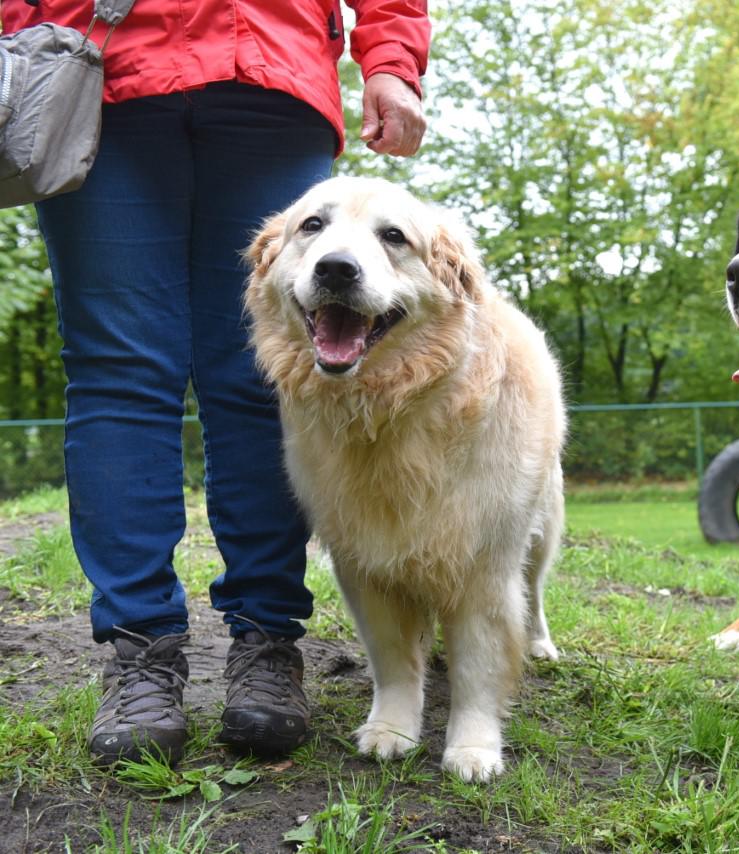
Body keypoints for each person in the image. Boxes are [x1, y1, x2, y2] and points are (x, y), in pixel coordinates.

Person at [0, 0, 431, 764]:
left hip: (271, 67)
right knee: (118, 375)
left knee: (269, 372)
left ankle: (267, 643)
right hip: (96, 63)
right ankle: (140, 651)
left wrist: (392, 63)